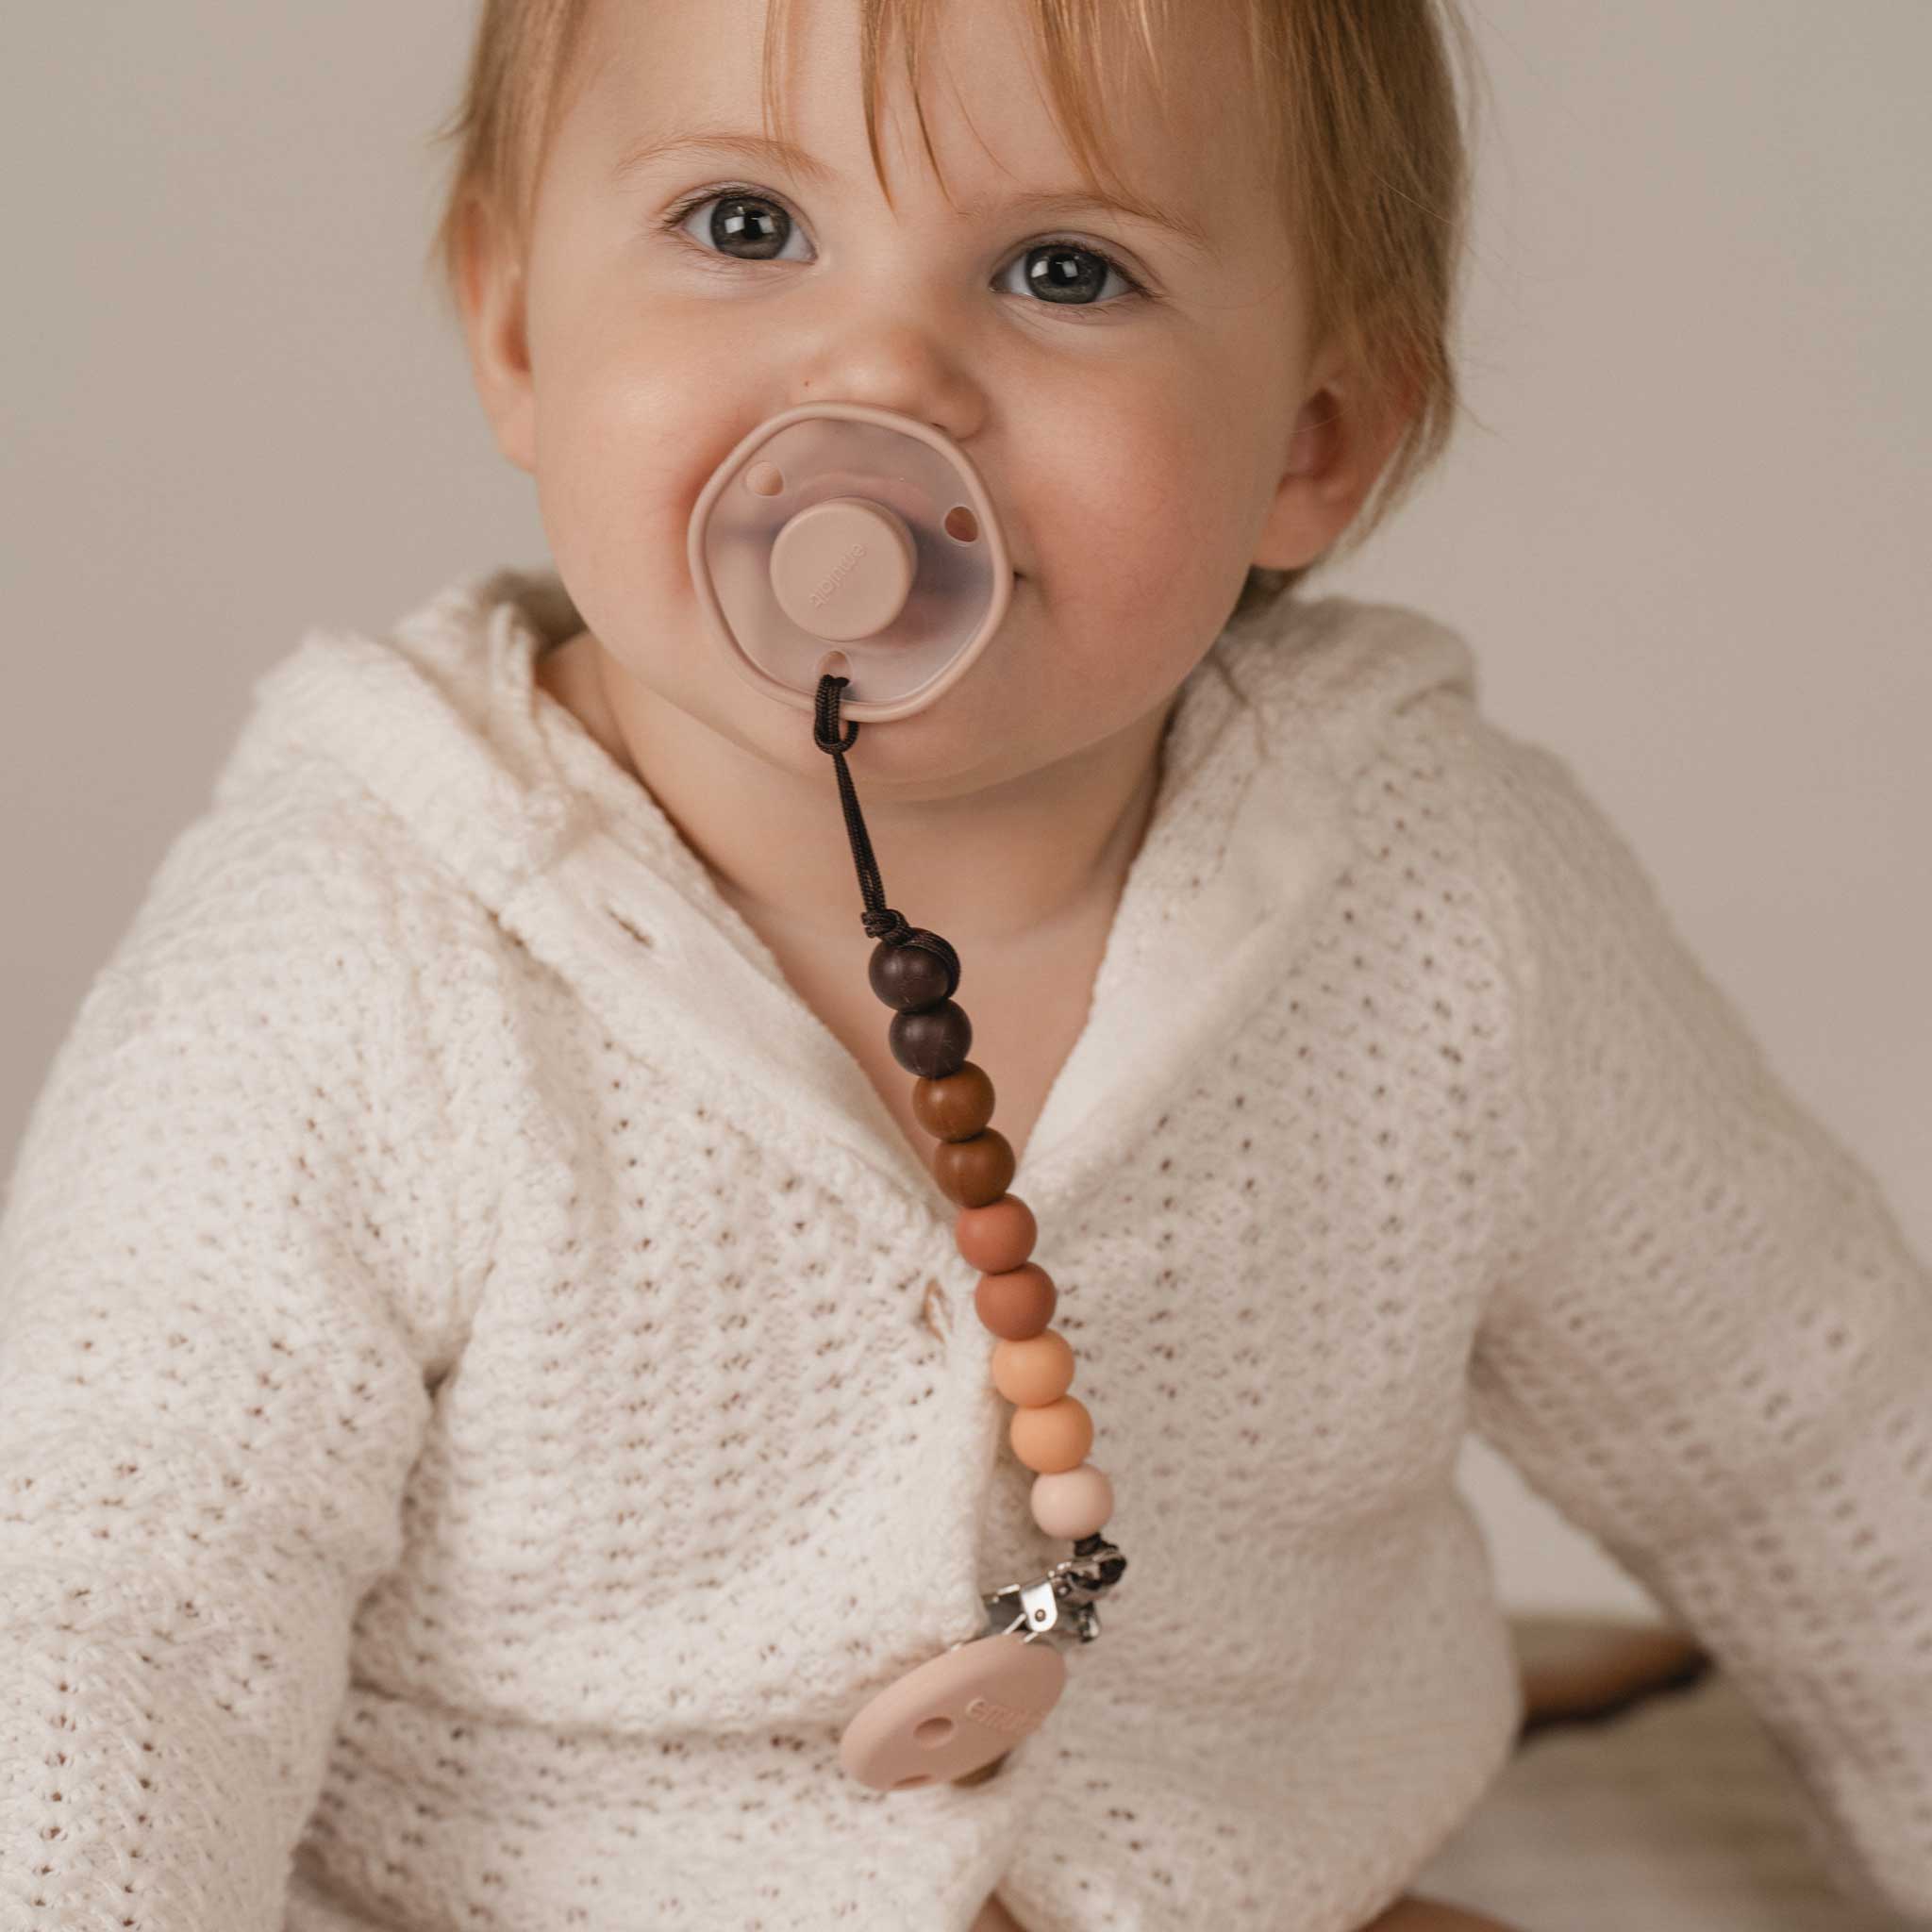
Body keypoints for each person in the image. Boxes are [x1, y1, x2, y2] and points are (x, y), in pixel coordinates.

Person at [4, 0, 1929, 1927]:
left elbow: (1818, 1442)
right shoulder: (363, 931)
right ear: (519, 332)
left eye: (1063, 269)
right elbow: (114, 1596)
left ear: (1313, 440)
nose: (882, 371)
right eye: (747, 225)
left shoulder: (1436, 896)